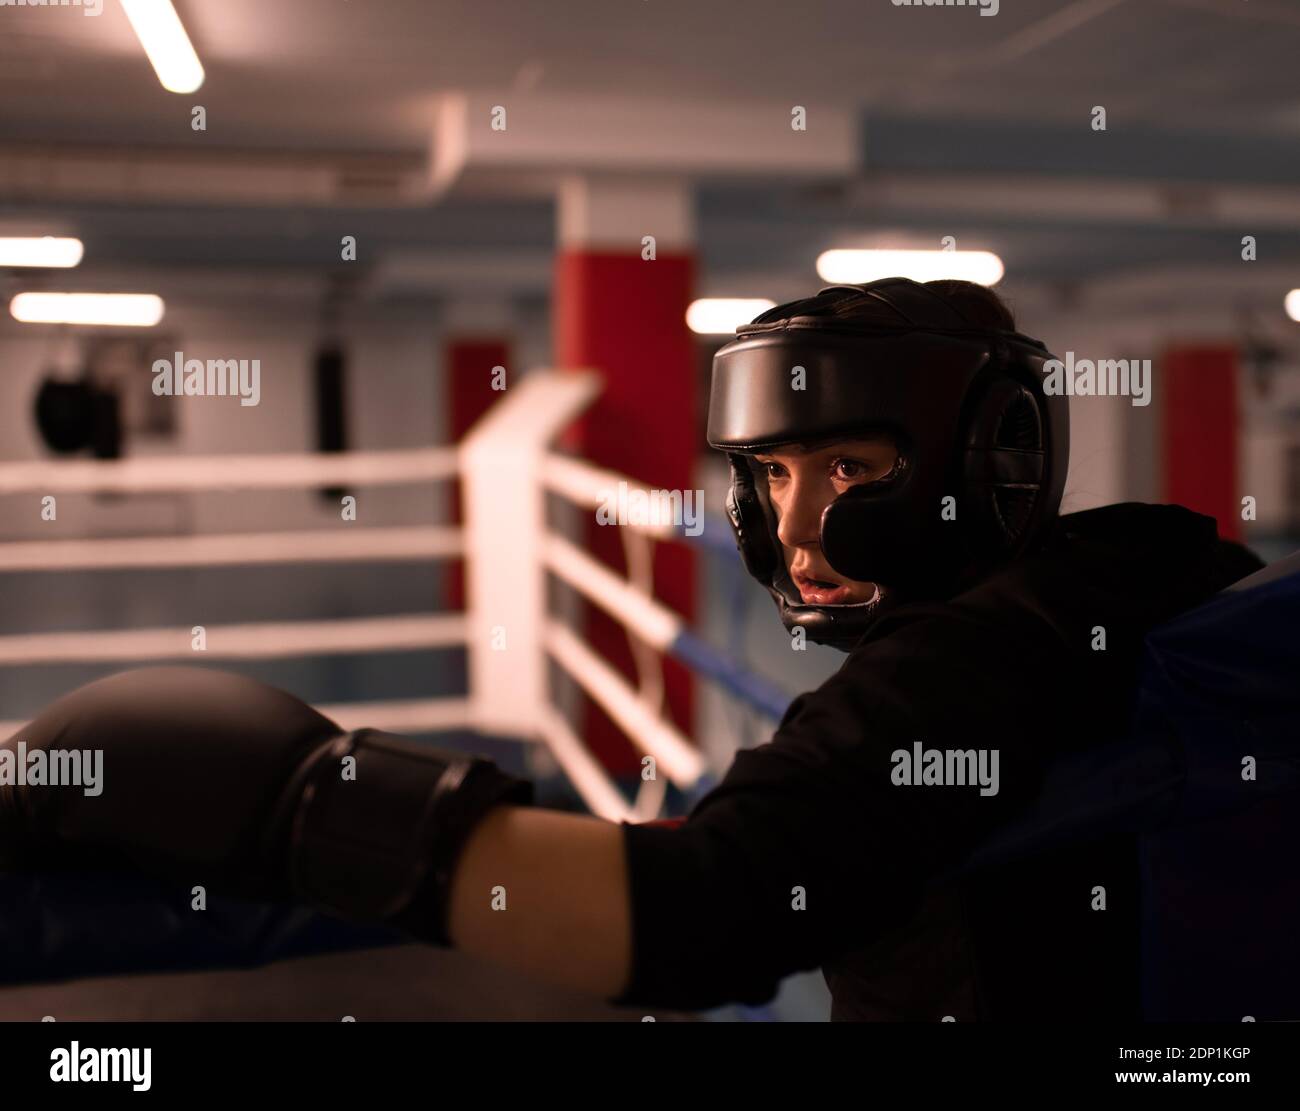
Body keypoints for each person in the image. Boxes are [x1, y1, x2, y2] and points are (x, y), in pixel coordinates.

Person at [0, 278, 1265, 1020]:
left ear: (989, 463)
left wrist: (297, 800)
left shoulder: (966, 664)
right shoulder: (1164, 575)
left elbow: (702, 913)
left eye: (848, 468)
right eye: (769, 472)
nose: (792, 524)